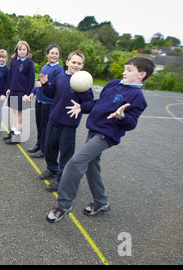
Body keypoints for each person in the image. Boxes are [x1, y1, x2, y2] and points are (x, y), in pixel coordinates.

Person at [46, 57, 155, 223]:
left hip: (106, 136)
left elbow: (131, 123)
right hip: (94, 129)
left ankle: (64, 205)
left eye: (129, 70)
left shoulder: (137, 96)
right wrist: (82, 107)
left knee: (75, 163)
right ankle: (101, 202)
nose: (124, 72)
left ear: (142, 74)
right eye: (125, 68)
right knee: (91, 166)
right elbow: (98, 103)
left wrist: (122, 116)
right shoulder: (114, 84)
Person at [38, 50, 94, 191]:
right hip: (54, 119)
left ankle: (61, 177)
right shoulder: (60, 78)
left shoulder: (84, 83)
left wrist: (83, 91)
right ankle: (52, 169)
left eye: (79, 63)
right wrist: (45, 85)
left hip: (69, 123)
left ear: (82, 66)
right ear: (67, 62)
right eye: (73, 62)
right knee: (50, 147)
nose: (75, 65)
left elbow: (88, 103)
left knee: (66, 153)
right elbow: (51, 93)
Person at [28, 45, 64, 157]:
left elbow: (57, 86)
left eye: (56, 53)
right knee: (39, 124)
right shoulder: (44, 67)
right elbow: (39, 81)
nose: (54, 55)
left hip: (48, 102)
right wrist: (33, 91)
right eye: (52, 53)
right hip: (39, 100)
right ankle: (39, 144)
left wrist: (45, 84)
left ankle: (44, 149)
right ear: (47, 54)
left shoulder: (59, 69)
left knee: (45, 126)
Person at [4, 40, 35, 144]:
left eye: (24, 49)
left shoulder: (29, 63)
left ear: (27, 51)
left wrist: (27, 93)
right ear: (16, 50)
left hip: (23, 92)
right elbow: (11, 75)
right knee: (13, 111)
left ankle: (17, 134)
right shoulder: (13, 61)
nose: (22, 51)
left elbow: (31, 79)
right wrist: (9, 88)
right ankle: (13, 130)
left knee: (19, 113)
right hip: (13, 90)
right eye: (20, 49)